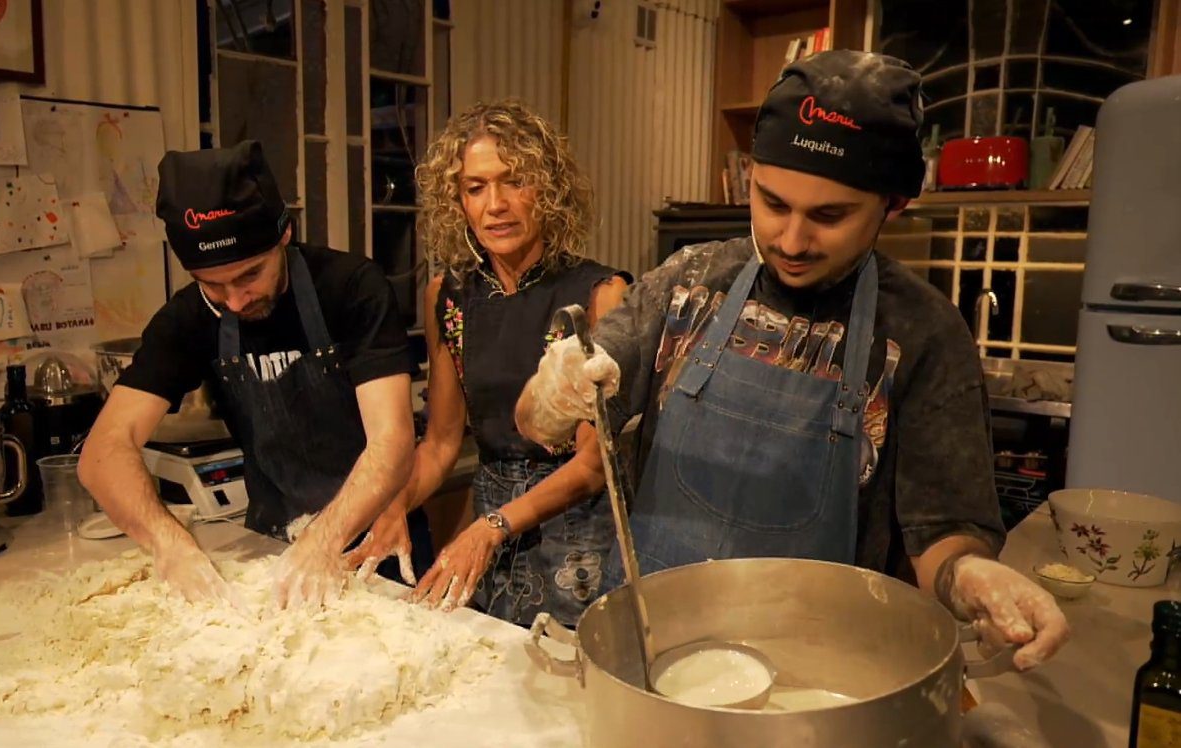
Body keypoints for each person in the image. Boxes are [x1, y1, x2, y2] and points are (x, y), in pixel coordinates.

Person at [516, 51, 1069, 669]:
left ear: (893, 205)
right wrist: (551, 394)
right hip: (648, 654)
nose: (791, 240)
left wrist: (969, 575)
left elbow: (941, 536)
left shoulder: (925, 332)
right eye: (772, 202)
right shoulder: (687, 282)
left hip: (818, 679)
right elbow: (541, 422)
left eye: (829, 216)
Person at [78, 141, 431, 609]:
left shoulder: (351, 288)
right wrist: (171, 545)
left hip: (377, 542)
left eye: (250, 276)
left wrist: (323, 541)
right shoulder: (186, 319)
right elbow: (102, 452)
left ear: (284, 234)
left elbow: (392, 441)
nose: (237, 301)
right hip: (272, 547)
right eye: (213, 285)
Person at [345, 100, 629, 625]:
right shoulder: (448, 299)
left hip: (576, 531)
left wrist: (490, 527)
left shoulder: (598, 295)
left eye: (514, 181)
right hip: (490, 527)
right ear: (458, 203)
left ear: (549, 189)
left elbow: (592, 466)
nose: (495, 204)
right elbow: (442, 442)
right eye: (476, 188)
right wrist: (393, 505)